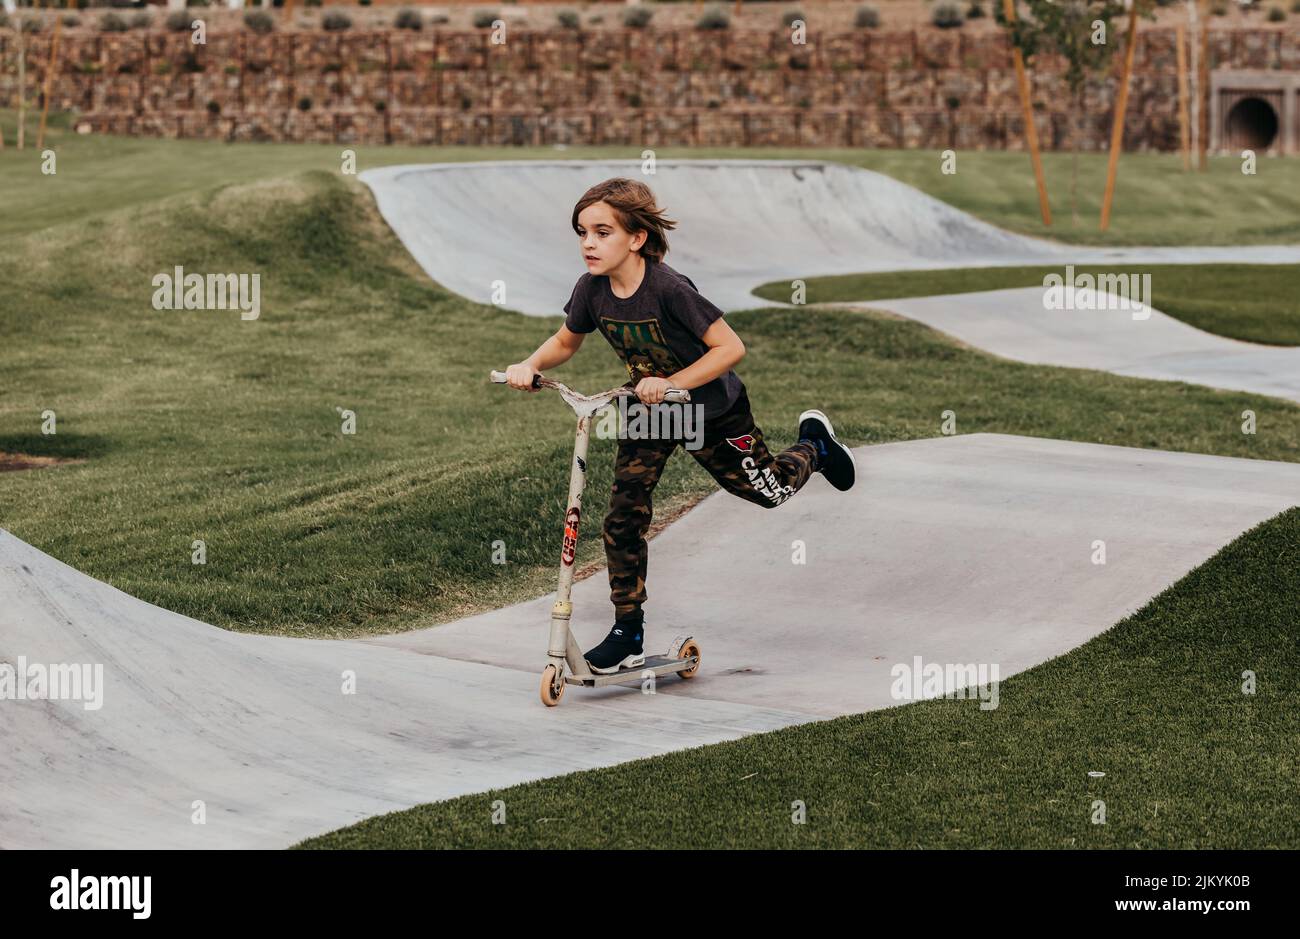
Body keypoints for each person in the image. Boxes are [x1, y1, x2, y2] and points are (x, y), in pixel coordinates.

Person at [505, 177, 854, 674]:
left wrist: (673, 382)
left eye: (602, 232)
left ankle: (815, 448)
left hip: (713, 412)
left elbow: (730, 349)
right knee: (623, 517)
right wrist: (530, 364)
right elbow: (566, 340)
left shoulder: (669, 289)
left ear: (636, 237)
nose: (588, 243)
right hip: (651, 413)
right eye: (582, 232)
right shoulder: (592, 289)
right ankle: (628, 631)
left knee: (768, 492)